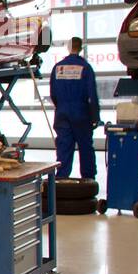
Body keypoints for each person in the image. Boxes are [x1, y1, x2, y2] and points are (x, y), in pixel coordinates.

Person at [49, 36, 100, 179]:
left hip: (62, 113)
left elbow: (53, 93)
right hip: (81, 113)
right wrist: (95, 116)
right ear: (81, 48)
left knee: (64, 146)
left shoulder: (58, 67)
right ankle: (88, 179)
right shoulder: (85, 68)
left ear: (68, 47)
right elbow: (92, 95)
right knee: (85, 147)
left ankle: (61, 179)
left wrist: (61, 108)